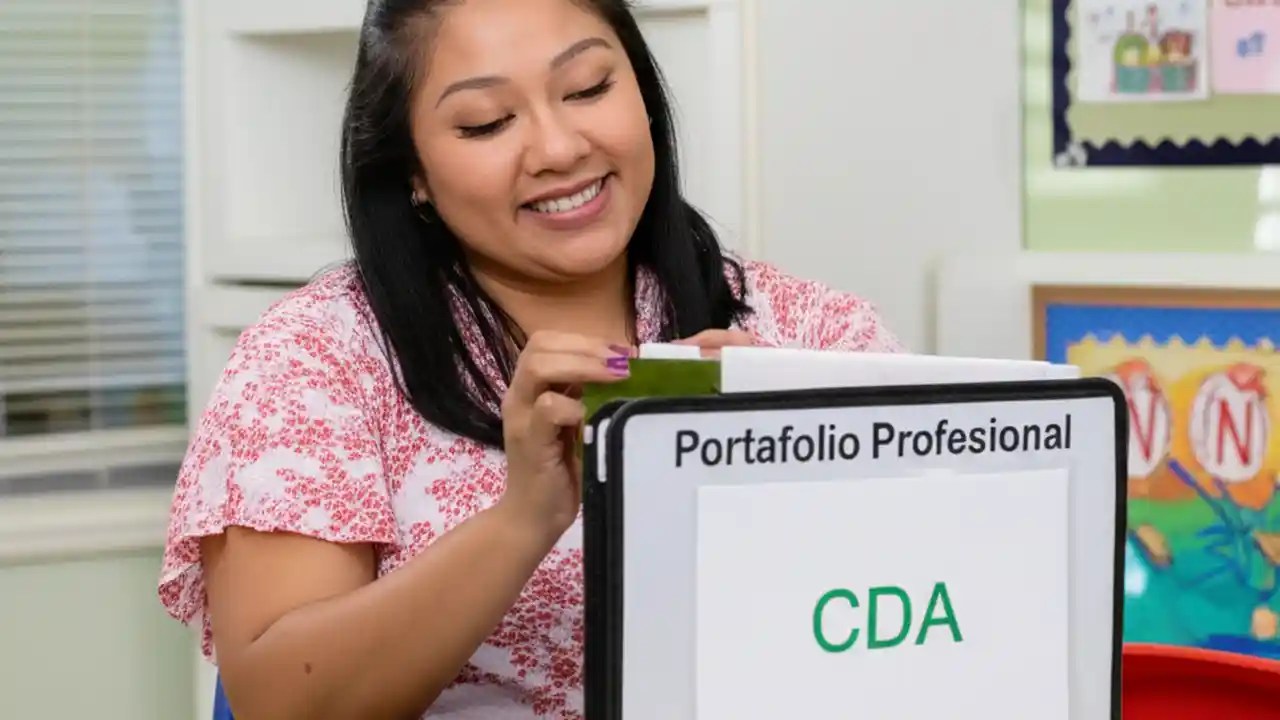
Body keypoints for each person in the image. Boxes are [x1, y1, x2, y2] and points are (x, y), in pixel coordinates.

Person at [158, 0, 903, 717]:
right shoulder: (318, 362)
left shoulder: (810, 333)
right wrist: (525, 518)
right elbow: (285, 705)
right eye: (487, 124)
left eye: (588, 89)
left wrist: (791, 481)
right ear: (412, 171)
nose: (558, 149)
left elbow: (947, 611)